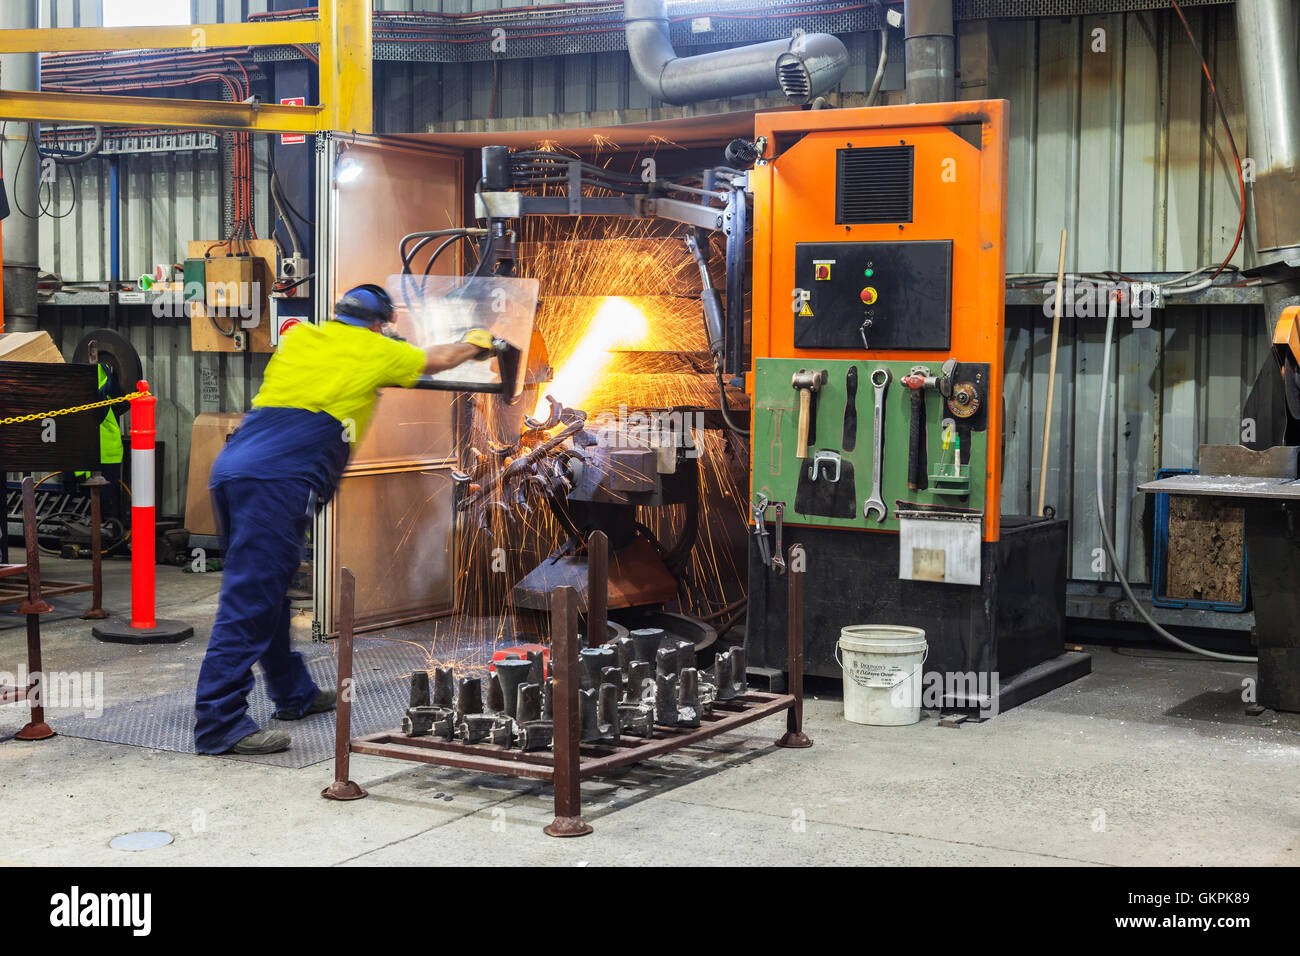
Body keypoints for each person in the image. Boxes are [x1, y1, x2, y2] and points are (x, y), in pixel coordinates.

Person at [194, 284, 496, 755]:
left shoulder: (303, 339)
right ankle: (219, 722)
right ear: (381, 323)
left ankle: (293, 693)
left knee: (267, 591)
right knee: (249, 600)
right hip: (279, 480)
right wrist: (479, 341)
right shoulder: (376, 349)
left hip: (233, 468)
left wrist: (387, 343)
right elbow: (436, 360)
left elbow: (358, 355)